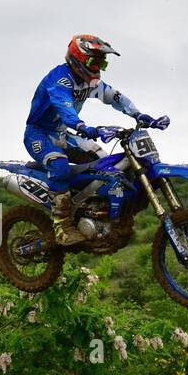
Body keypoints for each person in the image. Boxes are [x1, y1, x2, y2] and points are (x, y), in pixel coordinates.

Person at [24, 34, 157, 244]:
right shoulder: (59, 80)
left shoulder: (91, 83)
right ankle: (62, 226)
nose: (98, 68)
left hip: (62, 135)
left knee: (104, 162)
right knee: (60, 166)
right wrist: (83, 126)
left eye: (101, 62)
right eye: (94, 62)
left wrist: (138, 115)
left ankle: (93, 211)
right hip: (39, 134)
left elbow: (115, 97)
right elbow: (64, 106)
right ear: (78, 58)